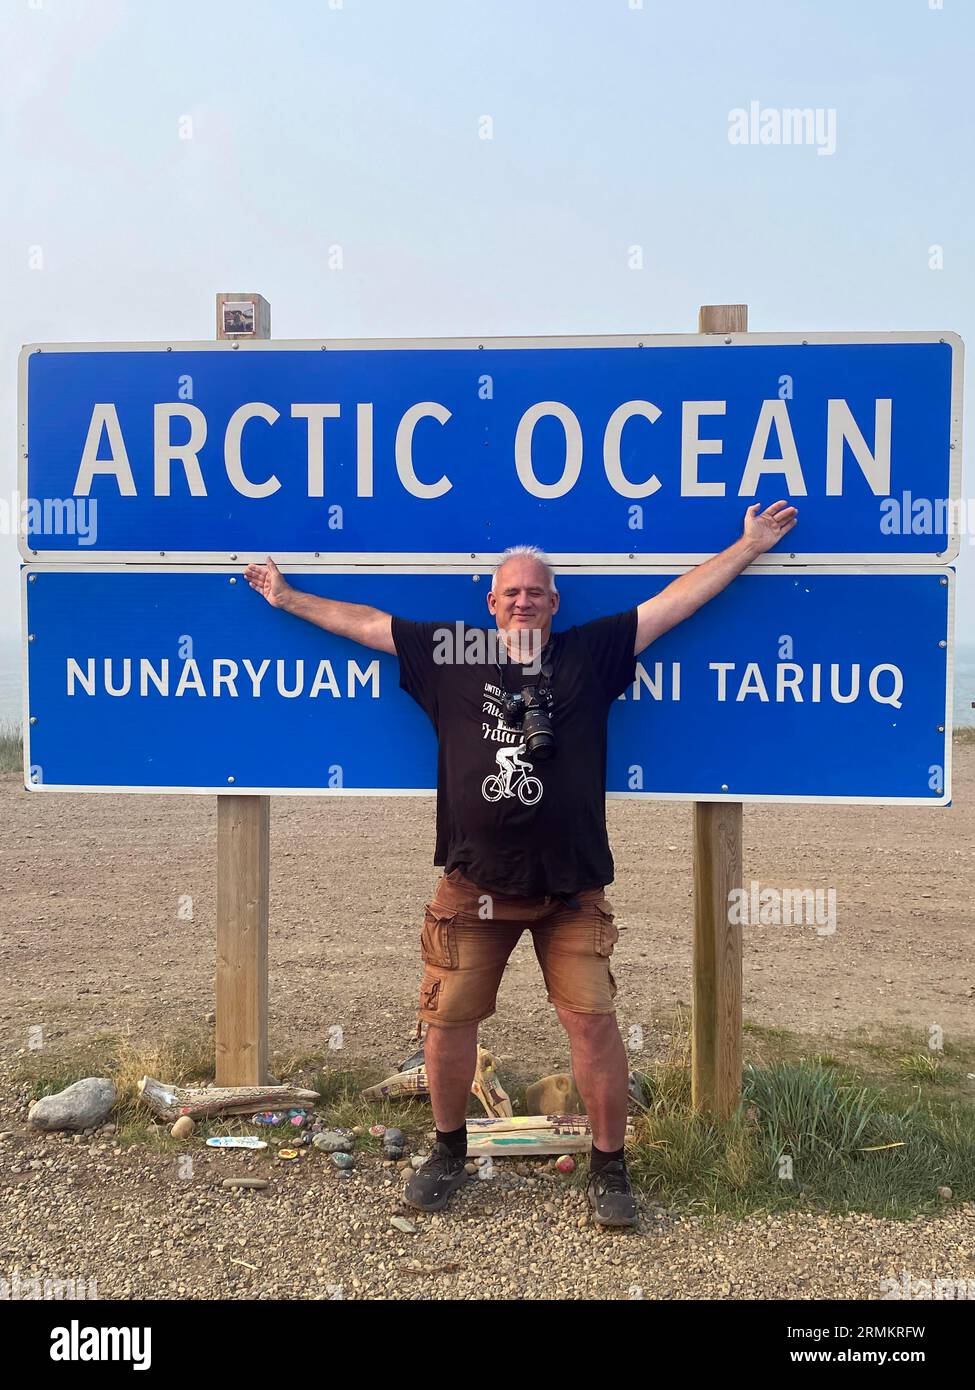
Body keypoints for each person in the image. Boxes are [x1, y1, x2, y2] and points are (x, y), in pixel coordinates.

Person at [243, 499, 798, 1227]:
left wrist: (748, 546)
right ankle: (446, 1151)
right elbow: (366, 623)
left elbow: (672, 603)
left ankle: (608, 1169)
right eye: (510, 592)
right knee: (446, 1025)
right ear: (491, 604)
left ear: (553, 602)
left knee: (593, 1025)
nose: (522, 601)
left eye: (535, 591)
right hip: (472, 885)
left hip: (571, 890)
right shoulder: (450, 654)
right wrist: (286, 598)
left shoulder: (592, 652)